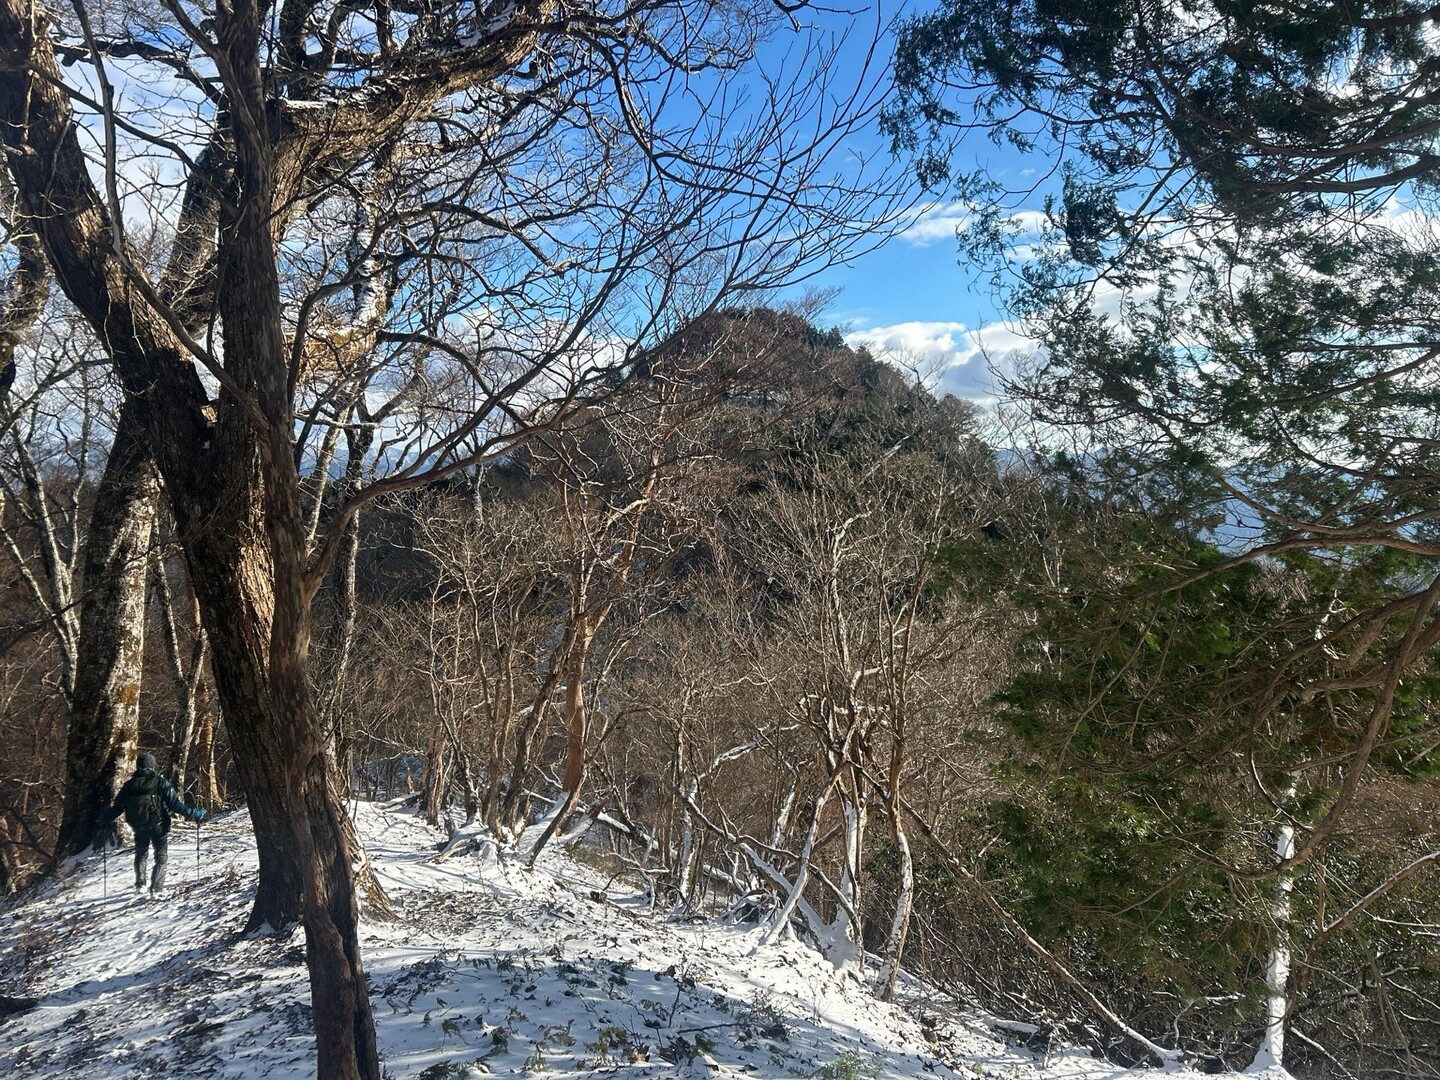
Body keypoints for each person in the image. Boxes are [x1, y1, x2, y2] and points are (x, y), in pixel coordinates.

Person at [98, 752, 205, 894]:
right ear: (152, 765)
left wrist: (104, 818)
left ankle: (140, 884)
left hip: (138, 826)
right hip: (159, 825)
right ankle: (156, 888)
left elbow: (117, 808)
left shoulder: (129, 786)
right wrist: (195, 814)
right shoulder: (160, 782)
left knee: (141, 854)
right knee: (161, 857)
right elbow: (175, 806)